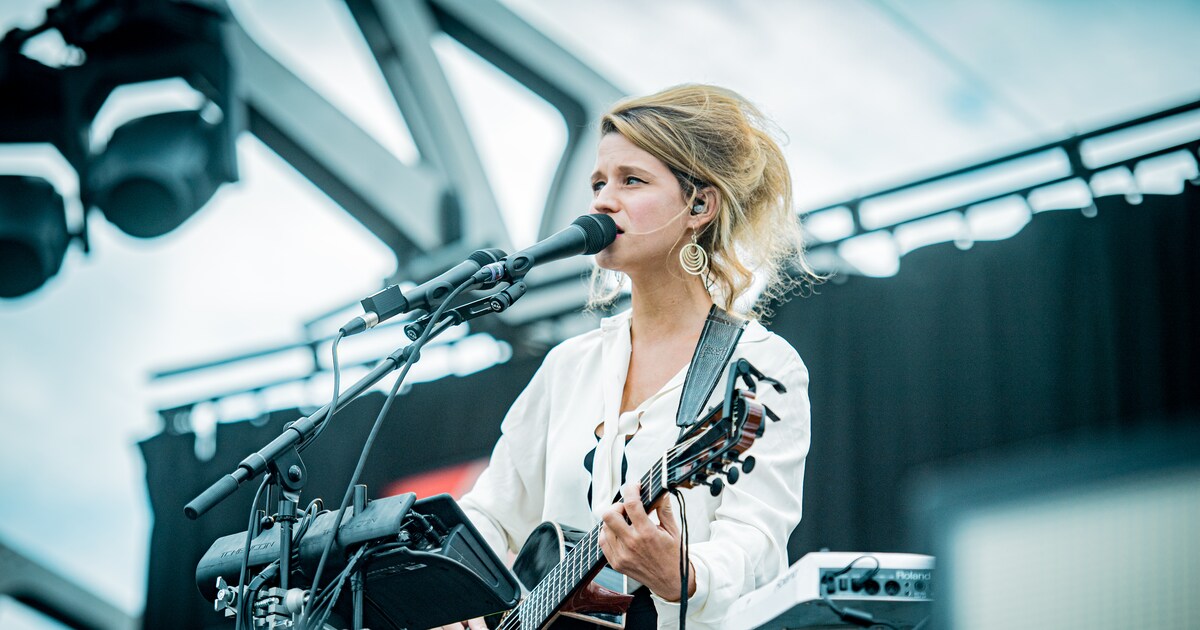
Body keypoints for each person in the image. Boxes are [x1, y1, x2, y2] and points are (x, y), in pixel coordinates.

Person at [455, 84, 814, 630]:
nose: (602, 200)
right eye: (598, 182)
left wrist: (683, 576)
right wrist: (451, 607)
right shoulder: (569, 366)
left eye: (631, 180)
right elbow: (488, 514)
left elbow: (757, 542)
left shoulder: (764, 364)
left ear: (699, 205)